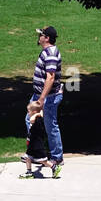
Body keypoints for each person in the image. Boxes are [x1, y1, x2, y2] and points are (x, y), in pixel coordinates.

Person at [29, 26, 63, 177]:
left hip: (47, 97)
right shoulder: (46, 52)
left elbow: (50, 77)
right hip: (39, 95)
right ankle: (35, 152)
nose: (39, 37)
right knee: (29, 120)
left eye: (41, 35)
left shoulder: (50, 54)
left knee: (51, 126)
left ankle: (56, 158)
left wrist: (42, 98)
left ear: (47, 38)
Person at [18, 101, 55, 178]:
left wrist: (35, 115)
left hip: (37, 145)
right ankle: (29, 172)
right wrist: (38, 111)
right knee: (27, 157)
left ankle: (54, 167)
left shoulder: (36, 119)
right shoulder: (39, 116)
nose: (28, 113)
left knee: (42, 161)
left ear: (34, 112)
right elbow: (41, 112)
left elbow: (31, 119)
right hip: (32, 143)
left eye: (29, 111)